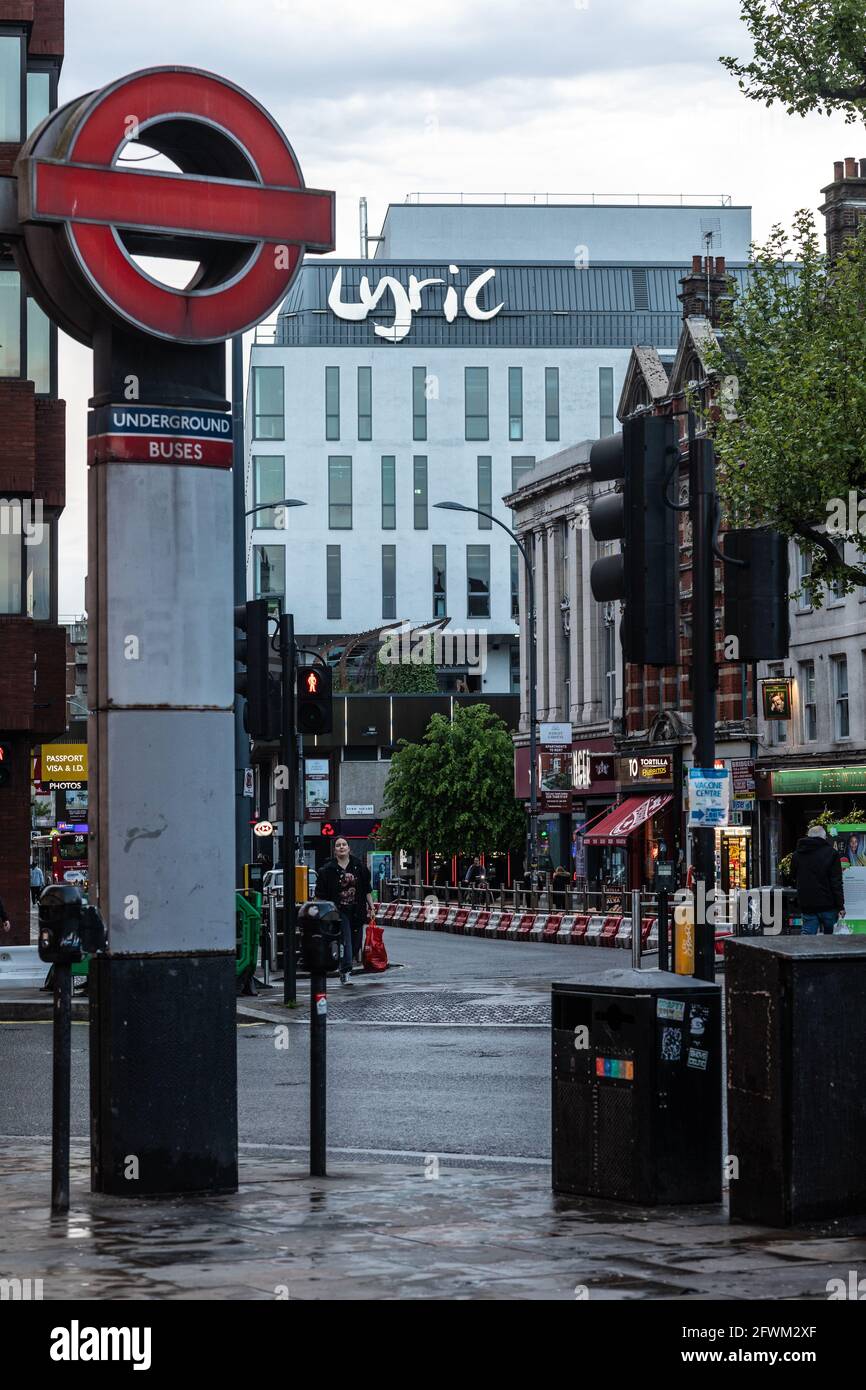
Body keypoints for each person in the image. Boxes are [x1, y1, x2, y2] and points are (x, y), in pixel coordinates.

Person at [315, 837, 372, 984]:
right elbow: (320, 895)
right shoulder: (327, 870)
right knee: (346, 940)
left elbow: (367, 890)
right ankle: (346, 971)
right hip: (339, 910)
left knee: (355, 943)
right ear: (335, 850)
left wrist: (371, 907)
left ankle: (344, 965)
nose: (341, 847)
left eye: (344, 844)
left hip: (357, 909)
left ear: (349, 848)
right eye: (338, 845)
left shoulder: (359, 866)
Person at [791, 825, 845, 935]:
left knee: (808, 937)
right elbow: (836, 882)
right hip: (828, 904)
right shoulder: (832, 854)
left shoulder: (797, 855)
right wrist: (840, 906)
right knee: (829, 938)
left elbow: (793, 876)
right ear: (823, 837)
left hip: (807, 903)